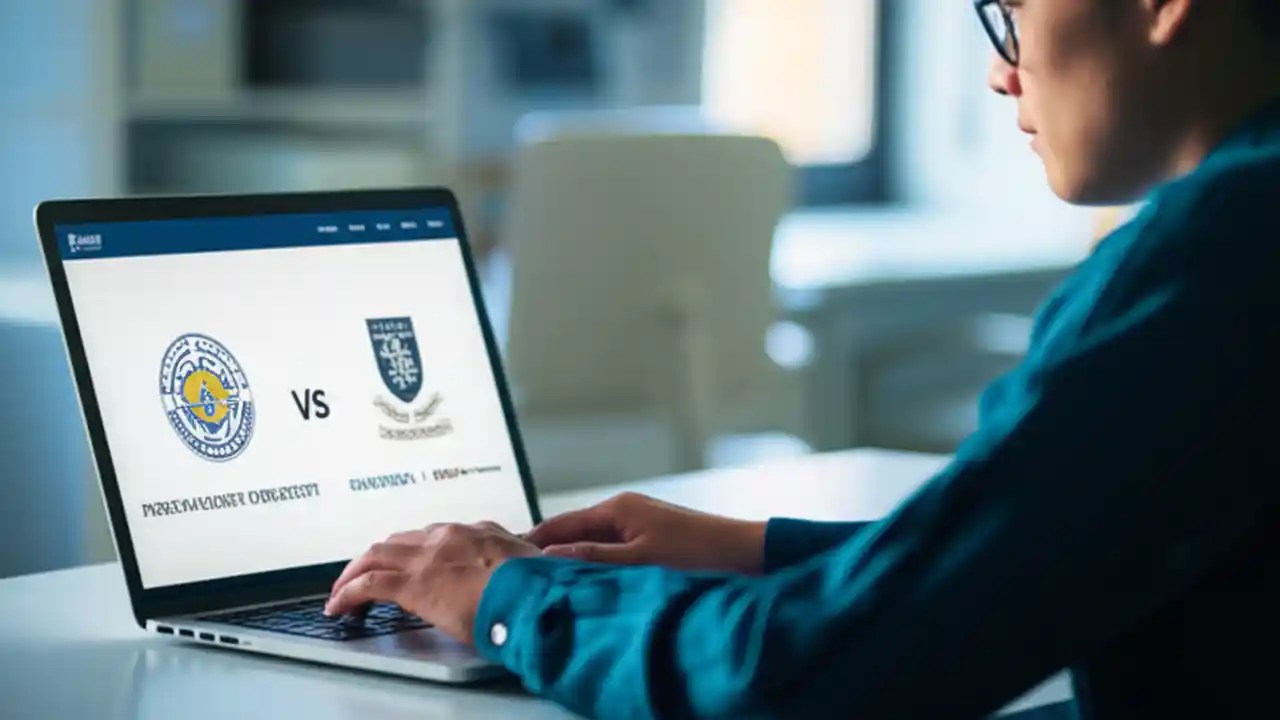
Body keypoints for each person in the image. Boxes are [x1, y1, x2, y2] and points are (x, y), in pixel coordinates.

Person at [325, 1, 1280, 716]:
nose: (1001, 72)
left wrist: (509, 598)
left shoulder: (1221, 254)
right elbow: (1055, 558)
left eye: (1013, 11)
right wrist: (753, 552)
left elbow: (823, 676)